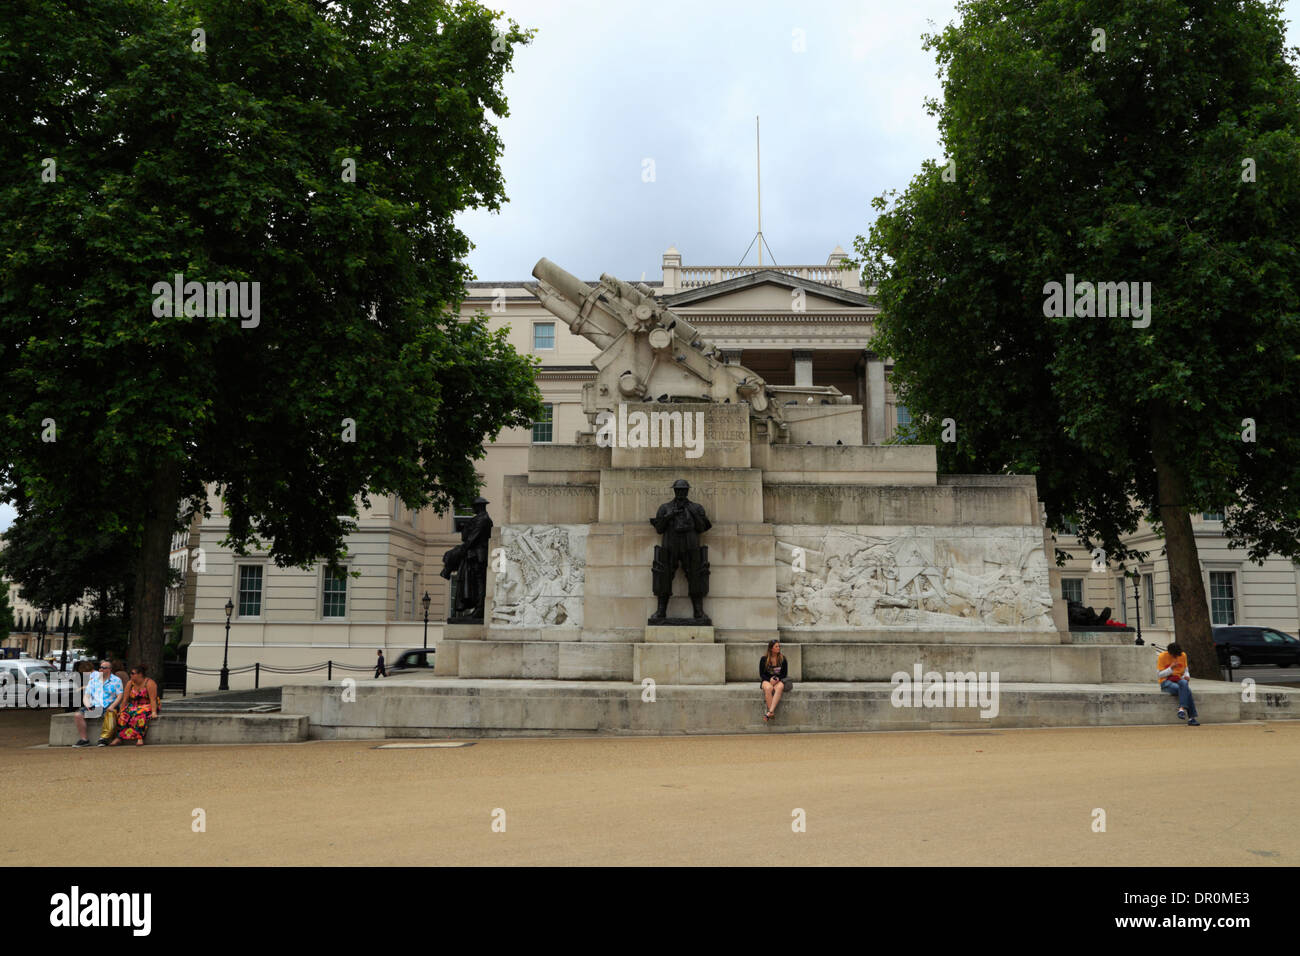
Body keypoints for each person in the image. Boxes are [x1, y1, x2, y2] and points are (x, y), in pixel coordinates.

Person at [73, 659, 123, 747]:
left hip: (109, 705)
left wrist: (113, 706)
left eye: (104, 668)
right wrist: (88, 705)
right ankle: (84, 739)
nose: (101, 669)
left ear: (109, 669)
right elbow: (86, 696)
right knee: (78, 715)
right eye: (100, 667)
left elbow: (119, 695)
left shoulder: (116, 680)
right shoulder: (93, 680)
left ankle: (104, 738)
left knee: (111, 712)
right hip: (95, 706)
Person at [112, 665, 159, 746]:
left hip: (147, 704)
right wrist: (121, 710)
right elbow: (125, 699)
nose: (131, 675)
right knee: (123, 715)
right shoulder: (130, 683)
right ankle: (119, 737)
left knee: (139, 715)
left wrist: (154, 712)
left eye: (133, 673)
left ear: (140, 674)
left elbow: (153, 699)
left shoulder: (149, 683)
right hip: (134, 705)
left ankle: (140, 737)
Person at [1157, 642, 1200, 726]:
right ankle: (1191, 718)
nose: (1176, 657)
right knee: (1187, 690)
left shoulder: (1183, 655)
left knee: (1184, 683)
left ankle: (1181, 709)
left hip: (1179, 679)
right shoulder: (1162, 656)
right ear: (1170, 653)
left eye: (1178, 655)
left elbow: (1186, 670)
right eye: (1174, 655)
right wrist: (1171, 668)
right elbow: (1159, 675)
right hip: (1166, 681)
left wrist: (1187, 676)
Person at [759, 639, 792, 721]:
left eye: (779, 646)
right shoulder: (764, 659)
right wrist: (769, 679)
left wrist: (778, 679)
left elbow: (784, 674)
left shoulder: (783, 659)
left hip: (779, 680)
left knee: (779, 687)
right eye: (776, 646)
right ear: (771, 648)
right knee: (768, 688)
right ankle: (771, 713)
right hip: (767, 680)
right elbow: (762, 674)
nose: (778, 648)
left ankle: (770, 712)